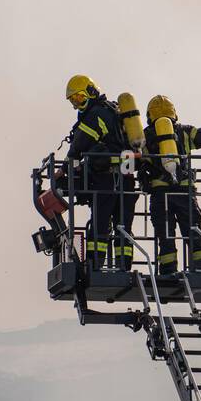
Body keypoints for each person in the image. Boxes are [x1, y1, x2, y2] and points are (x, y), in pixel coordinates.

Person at [142, 95, 201, 274]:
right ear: (173, 113)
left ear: (150, 115)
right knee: (194, 232)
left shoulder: (144, 136)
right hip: (184, 193)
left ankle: (167, 270)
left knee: (165, 235)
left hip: (160, 194)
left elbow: (136, 162)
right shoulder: (185, 132)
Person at [63, 74, 124, 270]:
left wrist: (62, 170)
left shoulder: (96, 115)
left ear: (90, 92)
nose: (76, 104)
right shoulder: (110, 110)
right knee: (122, 225)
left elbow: (78, 147)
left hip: (106, 179)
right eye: (73, 101)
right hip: (124, 179)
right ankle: (123, 265)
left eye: (79, 98)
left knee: (100, 223)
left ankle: (94, 264)